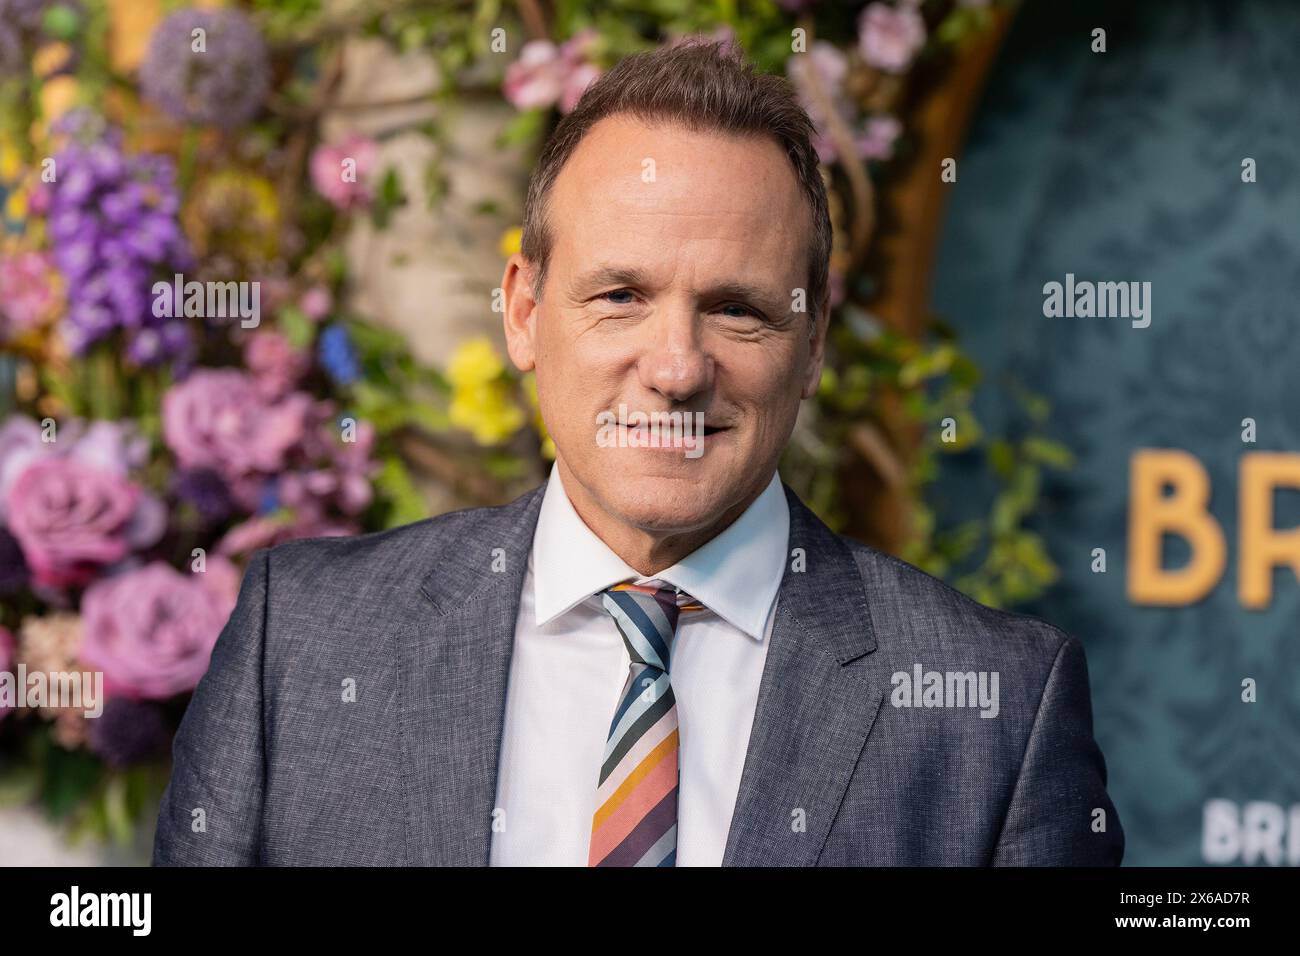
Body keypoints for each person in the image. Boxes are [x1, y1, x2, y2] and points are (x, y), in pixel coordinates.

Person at [153, 40, 1123, 867]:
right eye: (620, 296)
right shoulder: (300, 642)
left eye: (736, 309)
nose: (675, 368)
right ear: (523, 312)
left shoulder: (997, 711)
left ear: (813, 343)